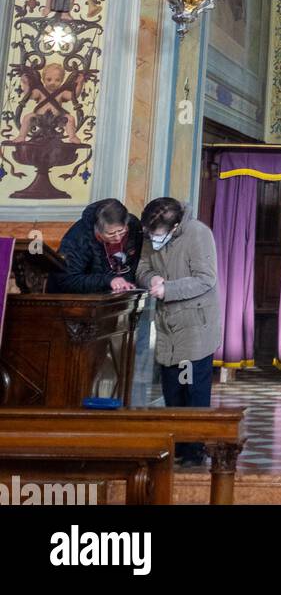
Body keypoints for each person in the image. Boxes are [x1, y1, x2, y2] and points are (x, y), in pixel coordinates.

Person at [136, 198, 221, 466]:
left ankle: (195, 449)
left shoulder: (198, 234)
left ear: (174, 227)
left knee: (193, 390)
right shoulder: (152, 233)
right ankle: (179, 446)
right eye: (150, 235)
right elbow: (142, 266)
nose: (152, 239)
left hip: (196, 326)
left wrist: (169, 289)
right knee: (173, 389)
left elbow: (206, 279)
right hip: (167, 325)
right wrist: (151, 279)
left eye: (157, 235)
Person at [48, 198, 142, 294]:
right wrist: (108, 281)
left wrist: (126, 283)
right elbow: (68, 280)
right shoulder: (78, 238)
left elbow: (133, 264)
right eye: (111, 234)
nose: (118, 238)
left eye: (121, 232)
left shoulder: (134, 227)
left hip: (115, 297)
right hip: (73, 299)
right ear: (97, 230)